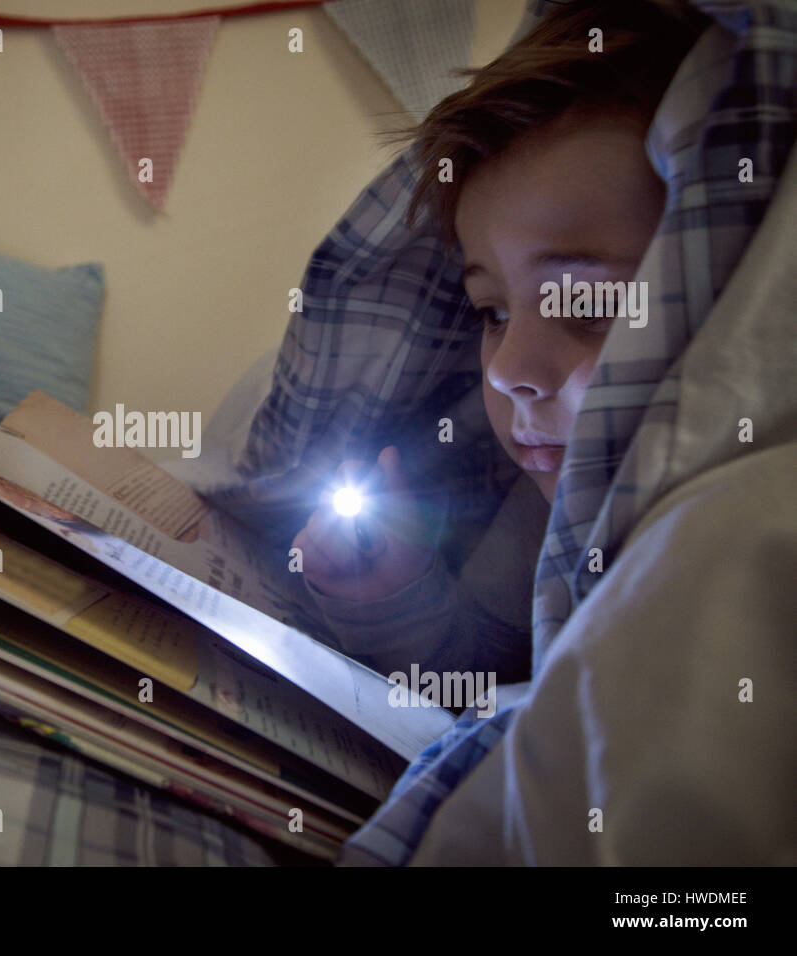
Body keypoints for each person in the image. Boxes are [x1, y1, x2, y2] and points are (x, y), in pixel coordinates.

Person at [204, 0, 795, 863]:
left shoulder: (739, 534)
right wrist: (390, 598)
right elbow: (480, 662)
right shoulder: (536, 502)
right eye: (490, 309)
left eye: (584, 302)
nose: (508, 367)